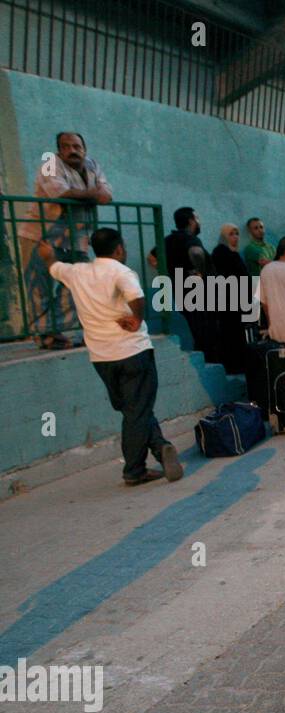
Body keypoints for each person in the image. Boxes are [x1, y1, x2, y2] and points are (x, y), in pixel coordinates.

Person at [39, 228, 183, 486]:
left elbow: (54, 267)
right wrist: (137, 318)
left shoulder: (77, 272)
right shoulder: (121, 271)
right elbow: (137, 297)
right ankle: (135, 470)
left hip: (102, 358)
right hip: (132, 351)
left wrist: (48, 255)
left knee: (132, 409)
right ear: (118, 249)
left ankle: (161, 449)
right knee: (136, 411)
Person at [19, 131, 113, 350]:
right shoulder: (50, 163)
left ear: (84, 149)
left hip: (76, 238)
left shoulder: (92, 165)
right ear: (59, 150)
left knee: (77, 284)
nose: (72, 150)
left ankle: (52, 329)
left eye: (77, 146)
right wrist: (93, 194)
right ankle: (47, 336)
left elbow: (107, 194)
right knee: (38, 287)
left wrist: (84, 194)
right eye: (66, 146)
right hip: (40, 235)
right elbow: (58, 193)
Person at [164, 207, 214, 361]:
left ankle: (206, 358)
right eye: (197, 218)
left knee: (197, 328)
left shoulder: (168, 240)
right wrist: (200, 272)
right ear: (191, 221)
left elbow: (152, 258)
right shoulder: (190, 238)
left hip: (180, 291)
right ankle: (210, 361)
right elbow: (196, 252)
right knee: (207, 331)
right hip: (197, 291)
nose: (199, 222)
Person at [209, 223, 252, 373]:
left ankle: (238, 364)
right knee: (230, 335)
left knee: (237, 334)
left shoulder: (233, 252)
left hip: (237, 301)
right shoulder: (221, 252)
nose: (235, 237)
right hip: (228, 302)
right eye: (231, 234)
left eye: (237, 233)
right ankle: (233, 365)